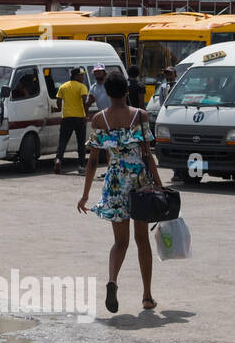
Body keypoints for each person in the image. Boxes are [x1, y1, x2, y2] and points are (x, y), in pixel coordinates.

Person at [77, 71, 163, 313]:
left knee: (119, 242)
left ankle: (113, 280)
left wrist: (85, 195)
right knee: (142, 239)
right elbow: (148, 154)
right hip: (139, 181)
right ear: (127, 91)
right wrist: (159, 183)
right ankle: (147, 296)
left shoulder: (99, 120)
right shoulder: (140, 115)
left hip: (115, 182)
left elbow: (93, 162)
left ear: (106, 92)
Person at [53, 68, 91, 174]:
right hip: (79, 118)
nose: (83, 77)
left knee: (63, 141)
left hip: (67, 118)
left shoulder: (63, 86)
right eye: (81, 75)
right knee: (81, 143)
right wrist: (86, 116)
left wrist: (57, 109)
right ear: (76, 76)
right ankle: (81, 166)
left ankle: (58, 159)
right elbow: (85, 102)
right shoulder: (82, 87)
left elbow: (59, 102)